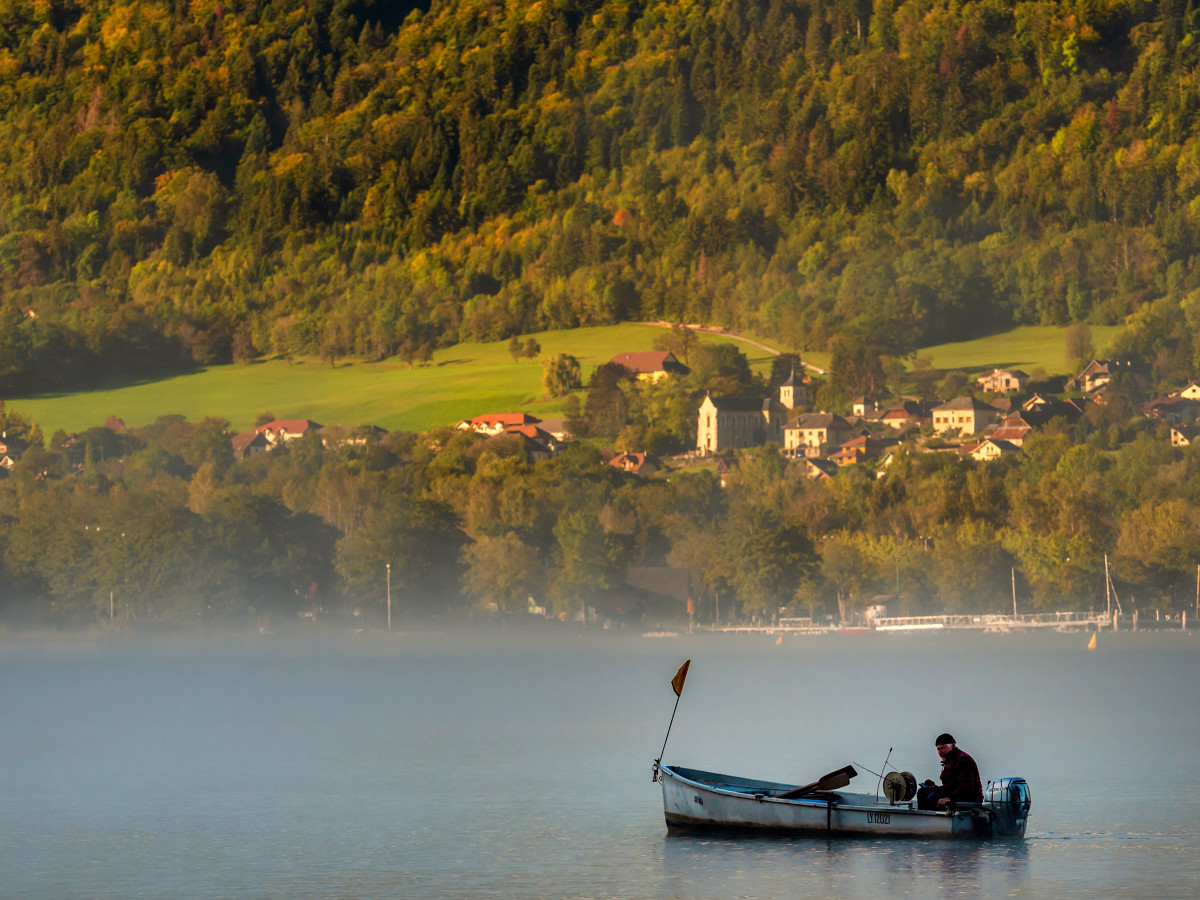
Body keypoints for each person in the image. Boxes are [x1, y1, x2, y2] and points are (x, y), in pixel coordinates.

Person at [916, 733, 983, 811]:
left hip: (966, 801)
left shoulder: (962, 760)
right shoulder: (950, 760)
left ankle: (926, 820)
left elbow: (967, 788)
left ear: (952, 746)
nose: (940, 752)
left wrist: (949, 798)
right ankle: (925, 818)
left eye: (942, 748)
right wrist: (934, 788)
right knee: (923, 792)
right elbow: (950, 787)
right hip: (955, 797)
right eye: (938, 749)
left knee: (926, 795)